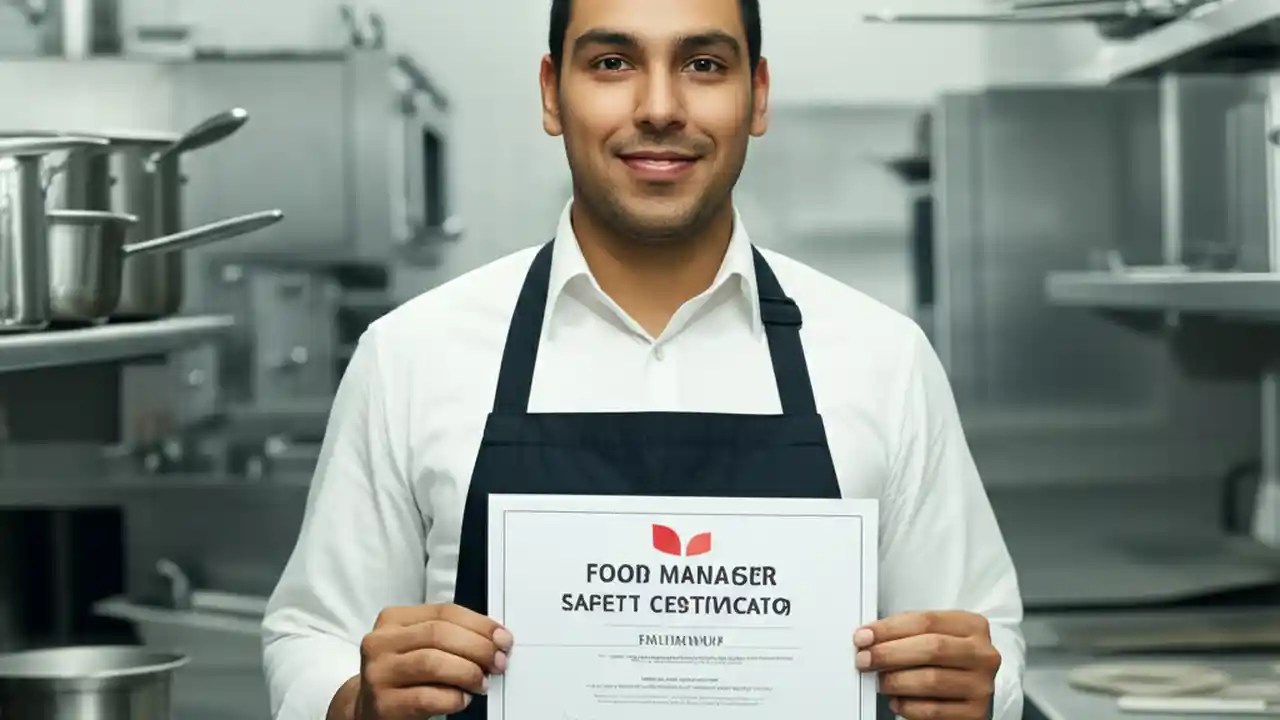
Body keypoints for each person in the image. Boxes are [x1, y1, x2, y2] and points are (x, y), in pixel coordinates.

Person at [262, 0, 1026, 718]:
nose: (660, 107)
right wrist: (356, 700)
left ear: (757, 96)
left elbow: (986, 637)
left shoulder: (883, 358)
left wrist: (974, 690)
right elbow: (312, 635)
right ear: (551, 93)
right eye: (611, 63)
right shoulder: (411, 354)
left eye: (703, 65)